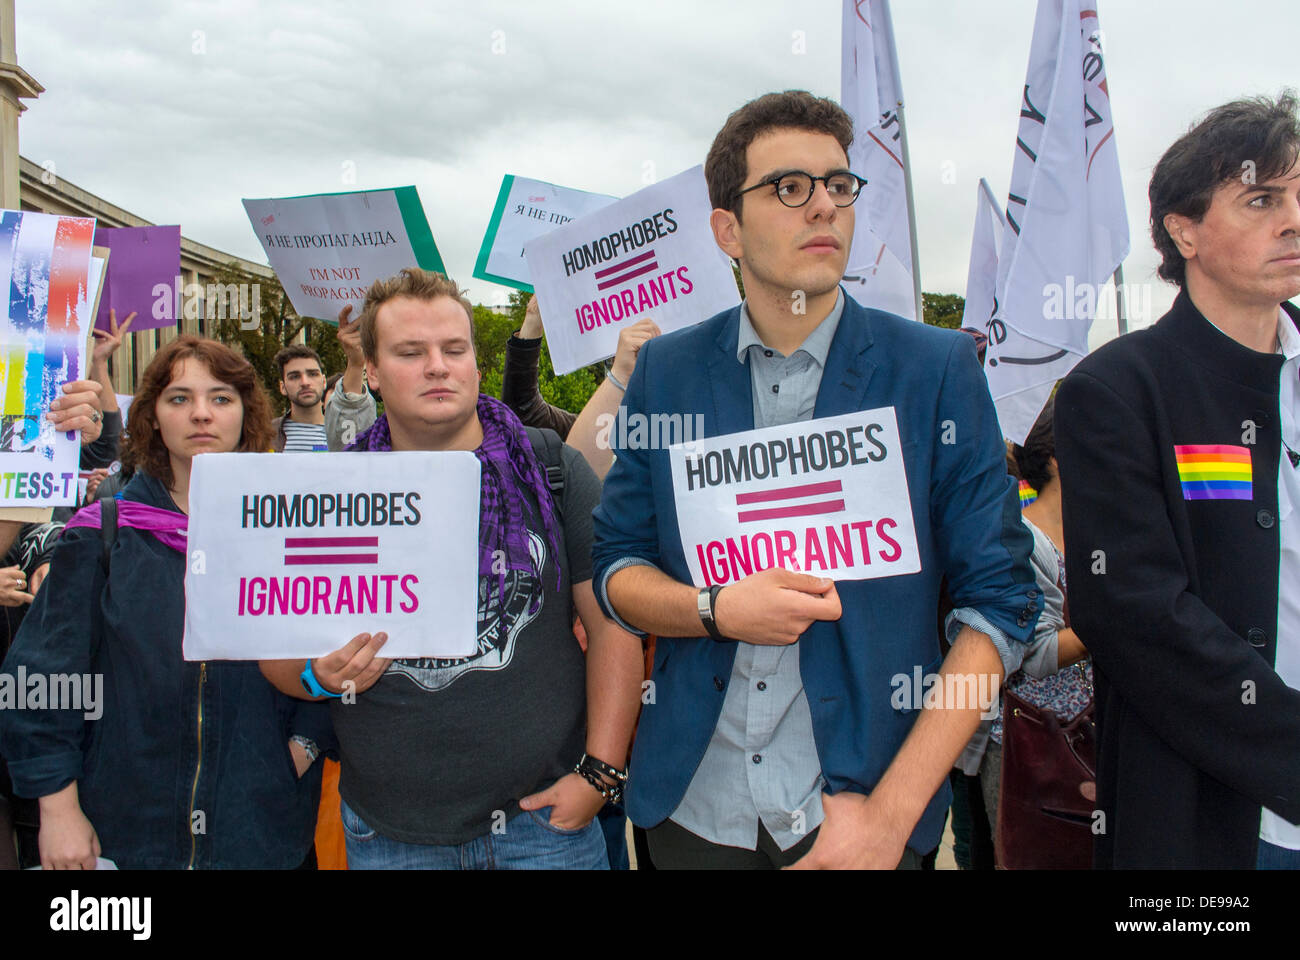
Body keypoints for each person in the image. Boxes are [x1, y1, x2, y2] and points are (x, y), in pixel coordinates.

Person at [590, 90, 1040, 869]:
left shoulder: (935, 370)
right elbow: (617, 568)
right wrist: (715, 608)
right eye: (789, 188)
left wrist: (893, 816)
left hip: (860, 813)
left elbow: (1001, 609)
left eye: (838, 185)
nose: (823, 207)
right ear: (727, 228)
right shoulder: (667, 372)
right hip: (692, 809)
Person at [260, 268, 641, 870]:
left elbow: (614, 624)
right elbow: (277, 649)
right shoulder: (327, 493)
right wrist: (316, 677)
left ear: (475, 366)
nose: (437, 366)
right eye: (411, 352)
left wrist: (600, 774)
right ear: (375, 374)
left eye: (453, 349)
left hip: (545, 828)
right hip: (390, 838)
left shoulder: (552, 468)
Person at [1056, 92, 1300, 869]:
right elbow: (1134, 613)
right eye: (1262, 199)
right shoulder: (1119, 390)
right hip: (1210, 818)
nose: (1292, 219)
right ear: (1183, 230)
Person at [0, 336, 333, 869]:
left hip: (261, 831)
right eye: (179, 398)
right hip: (125, 831)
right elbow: (41, 675)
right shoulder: (103, 534)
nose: (201, 413)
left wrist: (301, 748)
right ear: (152, 415)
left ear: (247, 412)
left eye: (221, 397)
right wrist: (58, 806)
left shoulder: (296, 530)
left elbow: (333, 652)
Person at [503, 295, 660, 479]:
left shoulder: (688, 427)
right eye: (617, 363)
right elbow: (524, 413)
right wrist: (533, 321)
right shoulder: (590, 431)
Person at [271, 344, 330, 452]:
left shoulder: (344, 434)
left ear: (324, 382)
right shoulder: (267, 435)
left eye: (313, 374)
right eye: (294, 376)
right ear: (283, 387)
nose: (305, 382)